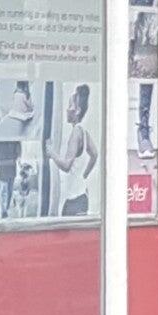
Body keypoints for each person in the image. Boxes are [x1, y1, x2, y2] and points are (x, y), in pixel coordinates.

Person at [52, 83, 98, 218]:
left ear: (77, 110)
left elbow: (66, 166)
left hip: (73, 200)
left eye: (69, 106)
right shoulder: (84, 132)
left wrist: (52, 154)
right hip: (83, 195)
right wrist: (84, 175)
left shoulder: (76, 133)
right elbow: (94, 154)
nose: (67, 110)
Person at [0, 80, 35, 219]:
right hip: (5, 162)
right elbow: (14, 147)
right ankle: (4, 208)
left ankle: (5, 207)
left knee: (8, 186)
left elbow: (16, 146)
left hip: (7, 162)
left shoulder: (4, 129)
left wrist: (17, 157)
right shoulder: (5, 130)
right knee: (6, 186)